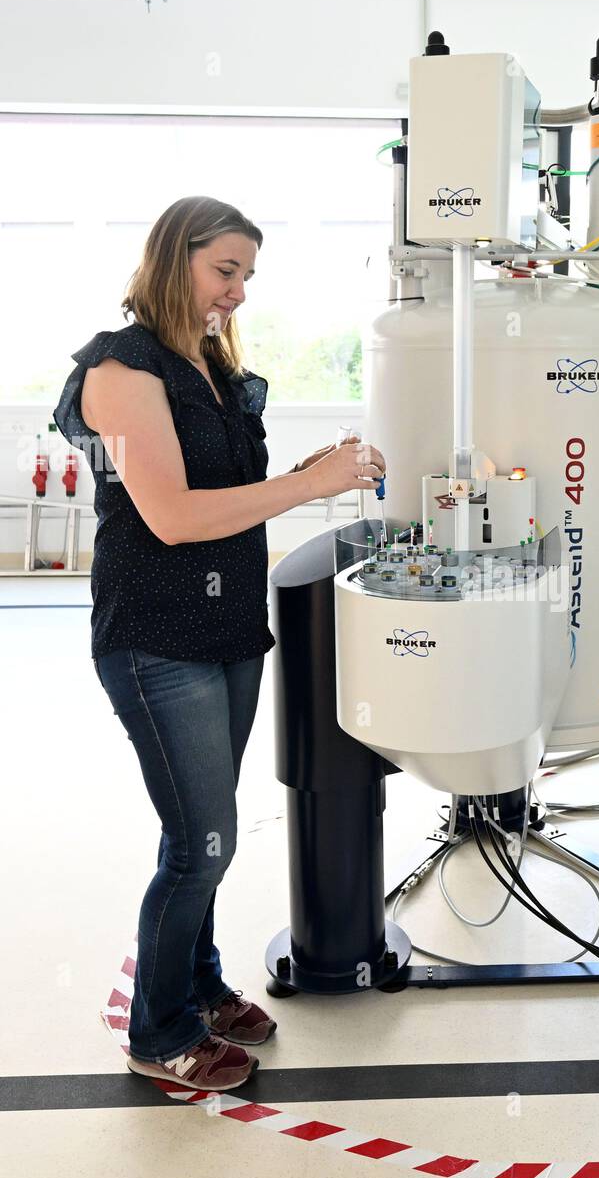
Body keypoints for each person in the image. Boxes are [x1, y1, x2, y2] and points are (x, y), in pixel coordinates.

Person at [53, 195, 385, 1092]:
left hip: (229, 625)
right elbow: (169, 517)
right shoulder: (121, 371)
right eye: (224, 270)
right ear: (175, 258)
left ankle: (196, 985)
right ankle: (159, 1033)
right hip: (156, 634)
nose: (237, 291)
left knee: (207, 825)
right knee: (199, 842)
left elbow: (237, 493)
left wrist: (312, 473)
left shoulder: (208, 366)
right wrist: (309, 486)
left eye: (246, 275)